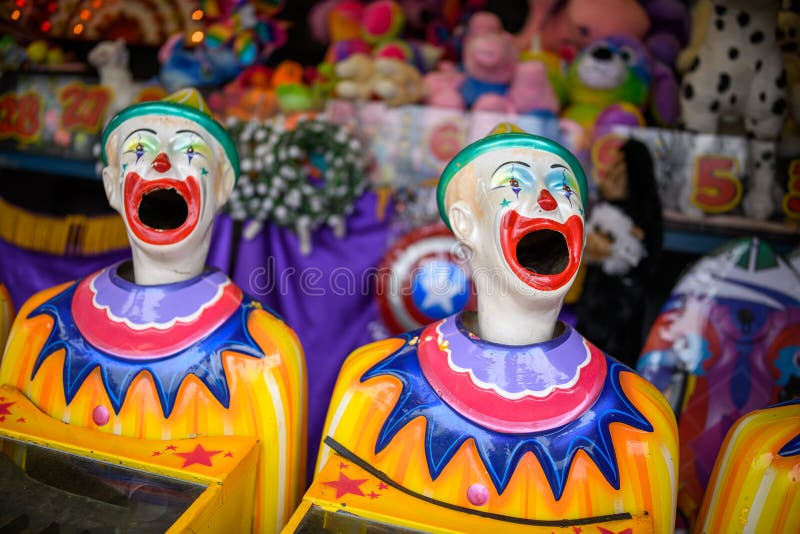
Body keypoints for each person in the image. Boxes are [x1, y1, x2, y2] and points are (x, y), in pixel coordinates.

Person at [306, 124, 678, 532]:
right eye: (514, 183)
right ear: (465, 224)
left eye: (564, 188)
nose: (550, 201)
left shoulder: (639, 417)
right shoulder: (377, 386)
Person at [0, 89, 306, 532]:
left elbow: (271, 514)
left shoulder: (264, 352)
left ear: (222, 186)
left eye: (189, 150)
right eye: (139, 149)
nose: (161, 165)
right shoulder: (41, 325)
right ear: (110, 185)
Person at [577, 137, 663, 367]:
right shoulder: (606, 211)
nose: (608, 174)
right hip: (592, 313)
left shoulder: (641, 220)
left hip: (619, 321)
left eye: (618, 168)